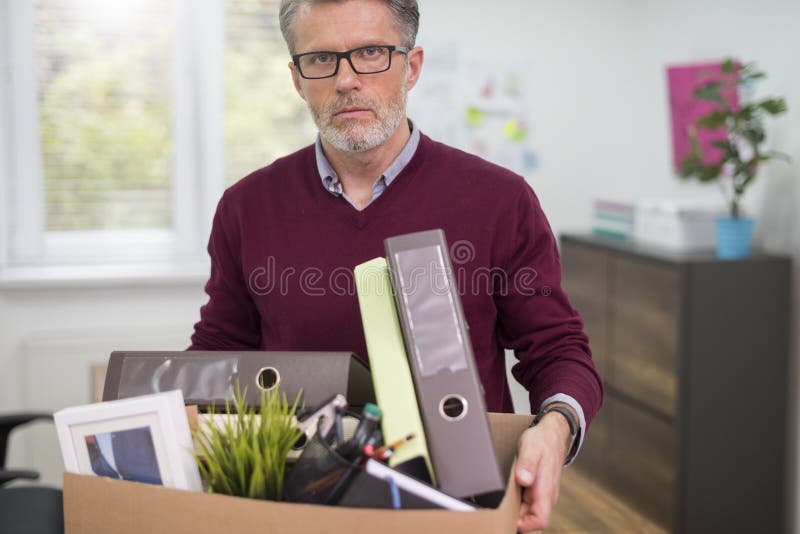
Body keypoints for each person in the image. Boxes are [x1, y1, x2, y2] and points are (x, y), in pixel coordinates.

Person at [189, 0, 603, 530]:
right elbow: (221, 351)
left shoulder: (501, 201)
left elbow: (558, 349)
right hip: (299, 505)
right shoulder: (246, 208)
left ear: (412, 65)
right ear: (296, 78)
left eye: (370, 53)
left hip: (460, 507)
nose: (346, 80)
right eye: (320, 59)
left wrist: (555, 427)